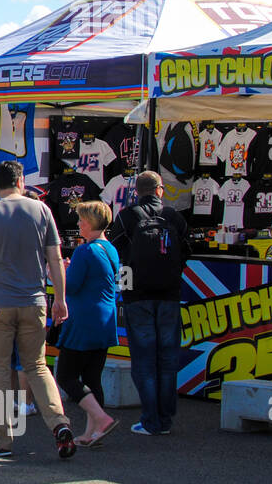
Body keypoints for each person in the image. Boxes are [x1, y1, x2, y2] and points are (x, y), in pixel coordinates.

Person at [0, 160, 77, 460]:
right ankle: (59, 424)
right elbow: (55, 259)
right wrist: (60, 299)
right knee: (38, 366)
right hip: (35, 301)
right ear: (21, 182)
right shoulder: (42, 210)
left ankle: (1, 439)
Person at [107, 171, 189, 436]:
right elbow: (187, 251)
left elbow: (115, 251)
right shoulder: (174, 217)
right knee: (167, 358)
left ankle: (150, 419)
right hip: (169, 294)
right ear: (160, 190)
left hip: (136, 294)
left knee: (143, 359)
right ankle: (165, 419)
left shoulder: (126, 216)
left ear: (137, 191)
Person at [58, 200, 120, 447]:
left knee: (66, 376)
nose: (78, 224)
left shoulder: (85, 250)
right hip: (105, 318)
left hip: (83, 319)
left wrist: (59, 272)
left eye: (81, 220)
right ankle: (93, 432)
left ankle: (101, 419)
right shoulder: (109, 248)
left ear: (91, 222)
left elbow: (71, 286)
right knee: (93, 376)